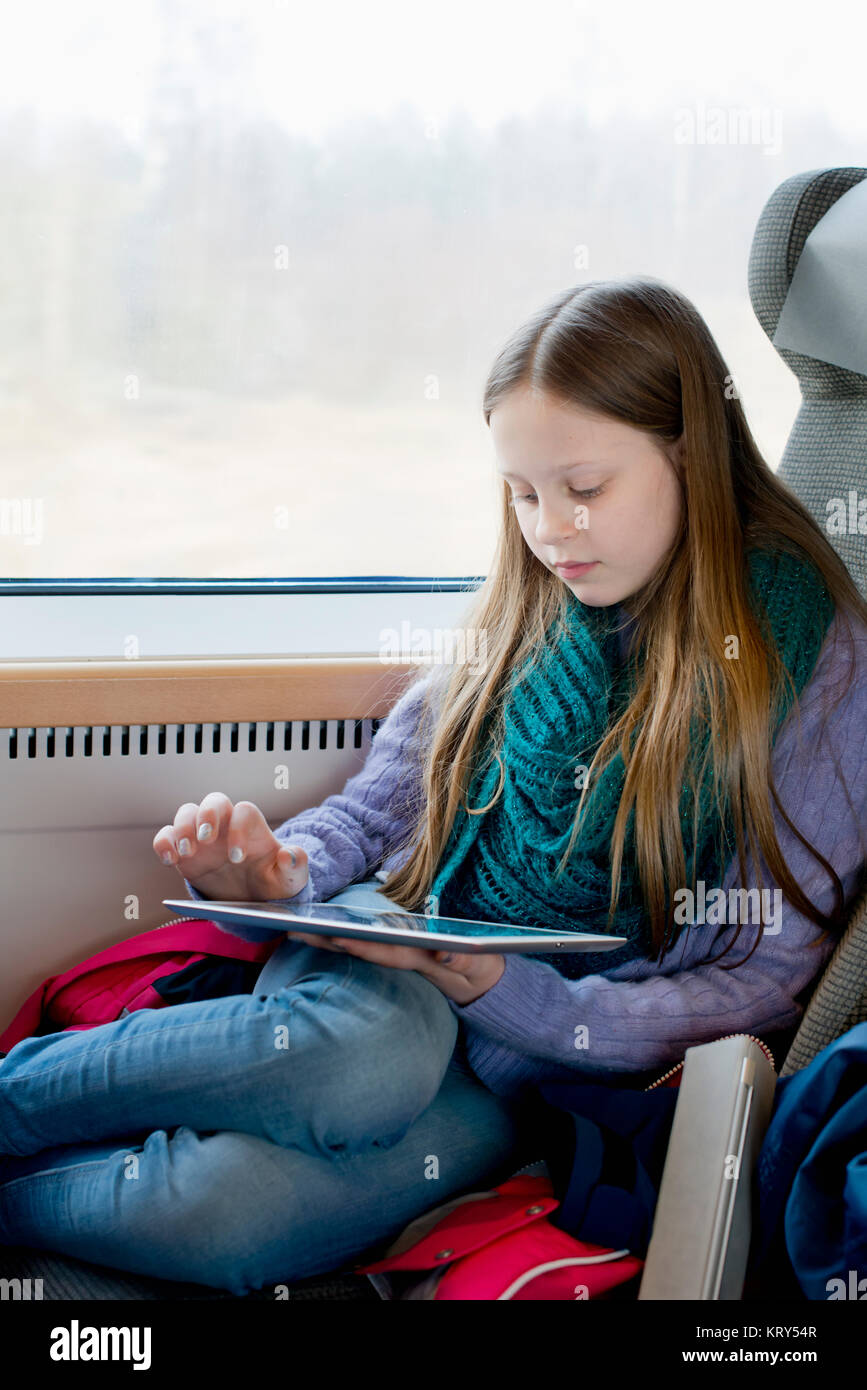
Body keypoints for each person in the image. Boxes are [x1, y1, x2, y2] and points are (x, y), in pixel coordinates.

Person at [1, 278, 865, 1296]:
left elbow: (758, 978)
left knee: (217, 1219)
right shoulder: (525, 609)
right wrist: (283, 870)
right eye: (522, 491)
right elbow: (377, 813)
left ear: (690, 456)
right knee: (370, 1059)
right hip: (387, 955)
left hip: (532, 1052)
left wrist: (517, 995)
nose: (550, 529)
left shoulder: (816, 663)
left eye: (583, 486)